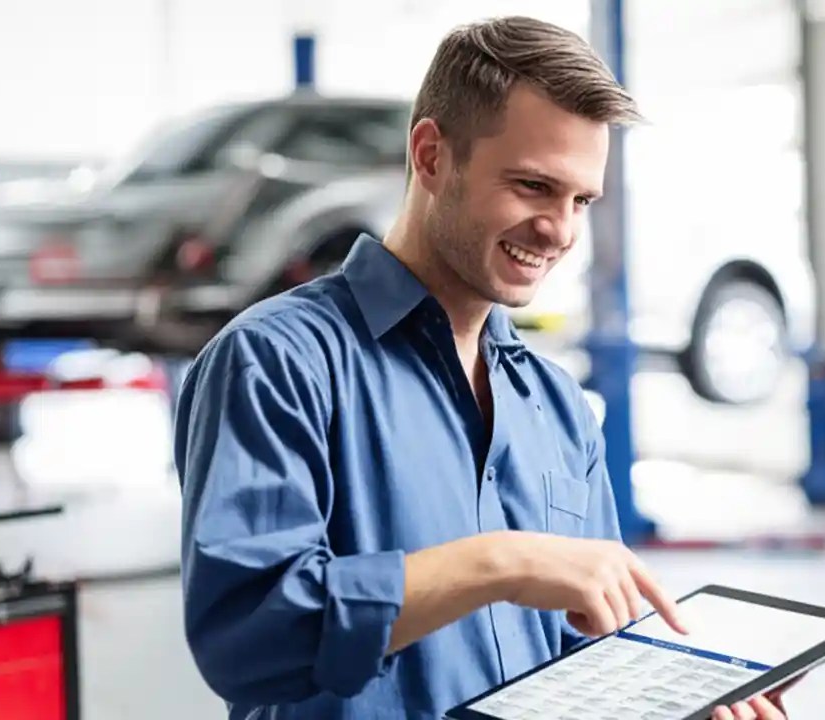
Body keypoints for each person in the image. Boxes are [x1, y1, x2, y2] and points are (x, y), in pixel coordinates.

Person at [174, 16, 788, 720]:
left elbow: (586, 659)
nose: (560, 230)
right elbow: (250, 638)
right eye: (533, 185)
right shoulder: (276, 362)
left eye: (581, 200)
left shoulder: (557, 408)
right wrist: (499, 562)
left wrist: (684, 706)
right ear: (432, 156)